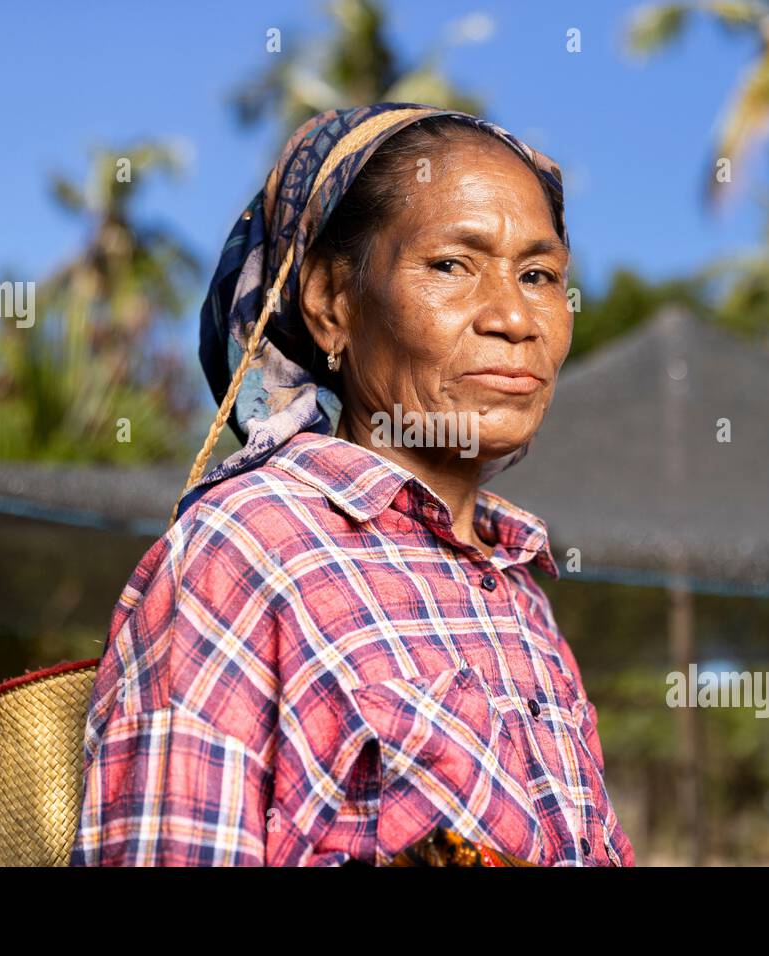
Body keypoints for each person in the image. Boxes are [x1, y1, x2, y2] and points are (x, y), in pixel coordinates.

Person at [68, 102, 636, 867]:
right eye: (452, 265)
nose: (514, 316)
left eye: (539, 275)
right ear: (332, 303)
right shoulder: (248, 551)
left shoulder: (521, 591)